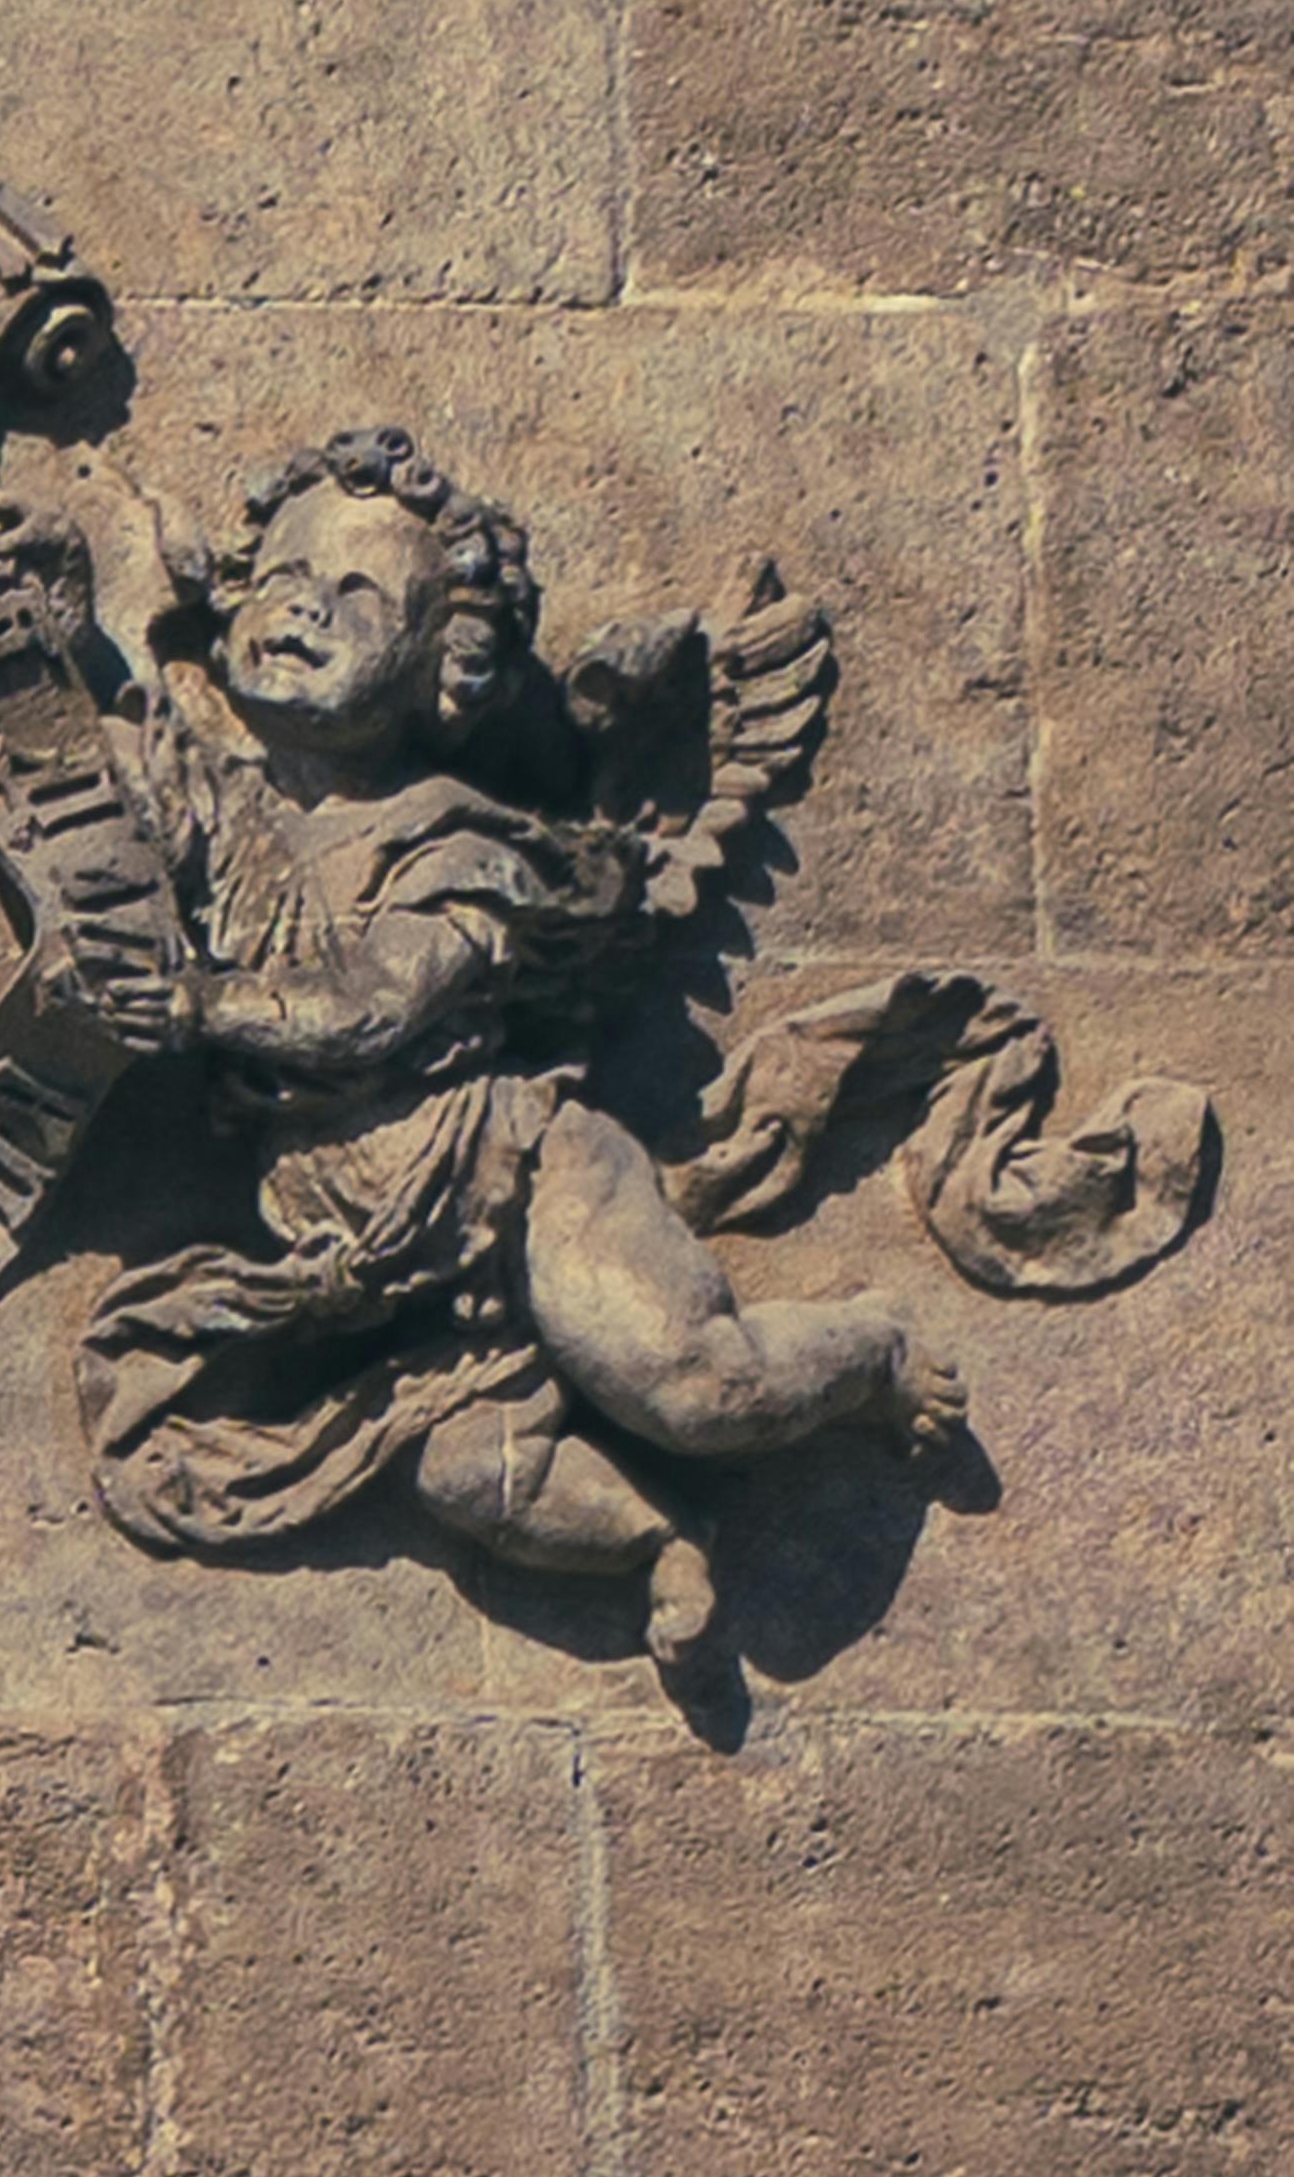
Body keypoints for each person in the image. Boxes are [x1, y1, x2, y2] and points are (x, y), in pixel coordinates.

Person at [75, 430, 969, 1685]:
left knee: (691, 1390)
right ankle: (659, 1539)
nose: (300, 610)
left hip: (522, 1174)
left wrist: (196, 1004)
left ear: (446, 670)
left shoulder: (458, 846)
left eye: (356, 598)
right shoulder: (221, 805)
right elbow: (94, 796)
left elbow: (371, 1012)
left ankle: (866, 1349)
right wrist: (62, 629)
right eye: (280, 575)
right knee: (464, 1474)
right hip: (373, 1261)